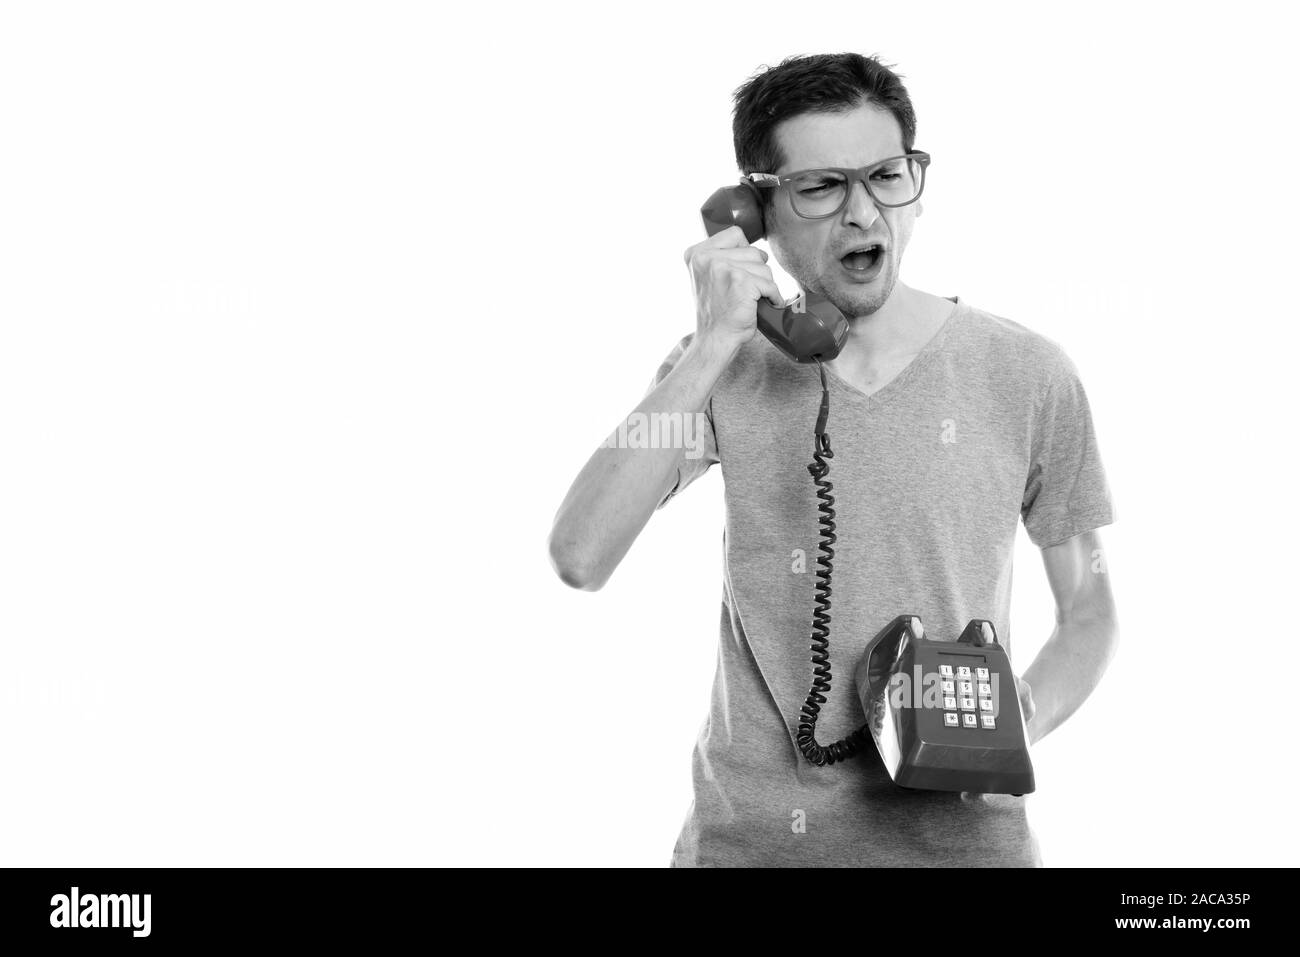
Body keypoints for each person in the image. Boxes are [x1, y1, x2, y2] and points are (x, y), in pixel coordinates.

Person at [547, 52, 1118, 867]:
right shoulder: (717, 368)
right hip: (748, 848)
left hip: (962, 849)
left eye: (887, 175)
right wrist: (711, 345)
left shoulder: (1029, 373)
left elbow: (1091, 607)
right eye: (821, 187)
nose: (863, 214)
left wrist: (1022, 714)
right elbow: (579, 553)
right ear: (755, 213)